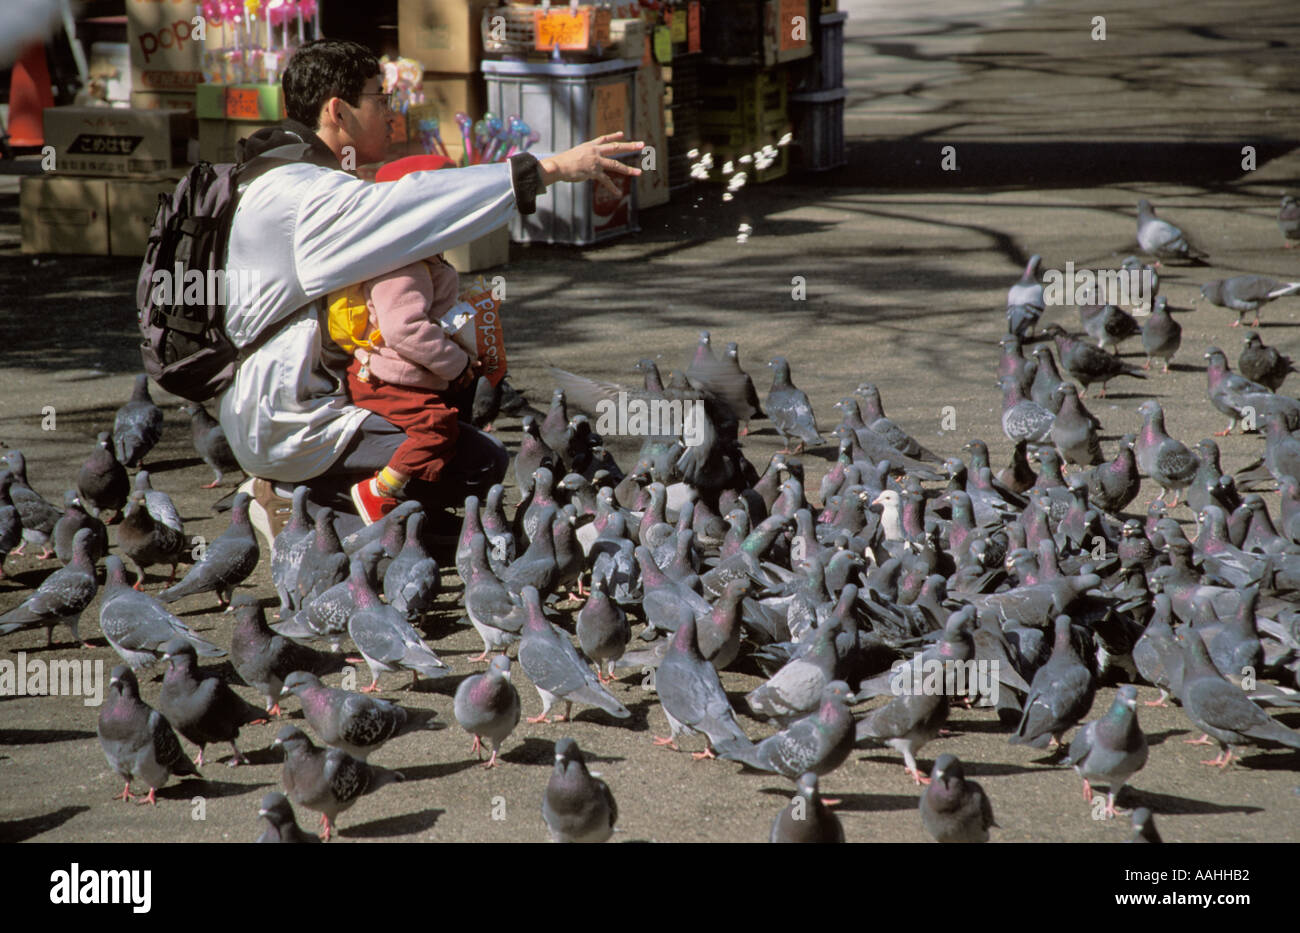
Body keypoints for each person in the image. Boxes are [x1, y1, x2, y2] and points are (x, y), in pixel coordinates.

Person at [216, 39, 641, 541]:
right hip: (288, 416)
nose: (390, 113)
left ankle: (340, 505)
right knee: (476, 462)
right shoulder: (311, 197)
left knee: (444, 481)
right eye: (379, 98)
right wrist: (551, 168)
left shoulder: (273, 179)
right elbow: (420, 203)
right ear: (338, 111)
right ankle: (293, 503)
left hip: (270, 398)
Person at [325, 155, 484, 525]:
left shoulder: (417, 254)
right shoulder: (405, 264)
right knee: (436, 426)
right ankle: (380, 490)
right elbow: (405, 328)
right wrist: (456, 362)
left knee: (450, 420)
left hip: (397, 373)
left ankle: (421, 499)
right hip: (387, 378)